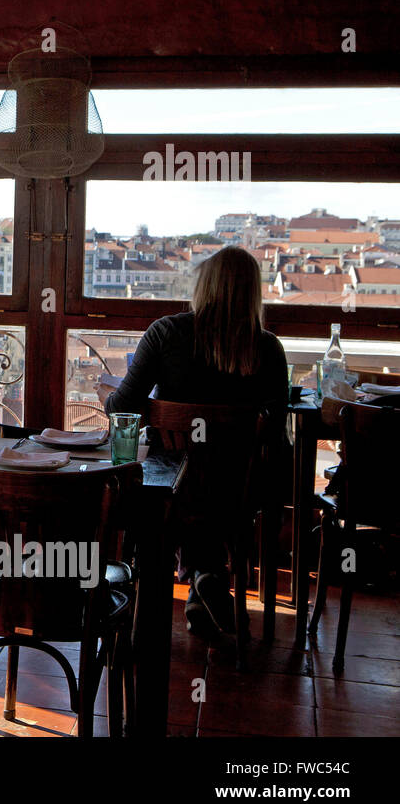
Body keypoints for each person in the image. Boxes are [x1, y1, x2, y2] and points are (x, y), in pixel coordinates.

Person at [100, 245, 288, 642]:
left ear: (205, 286)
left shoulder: (167, 333)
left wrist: (125, 399)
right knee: (209, 490)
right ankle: (207, 575)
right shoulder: (268, 348)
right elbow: (276, 437)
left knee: (183, 485)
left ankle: (188, 587)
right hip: (238, 493)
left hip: (170, 488)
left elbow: (122, 408)